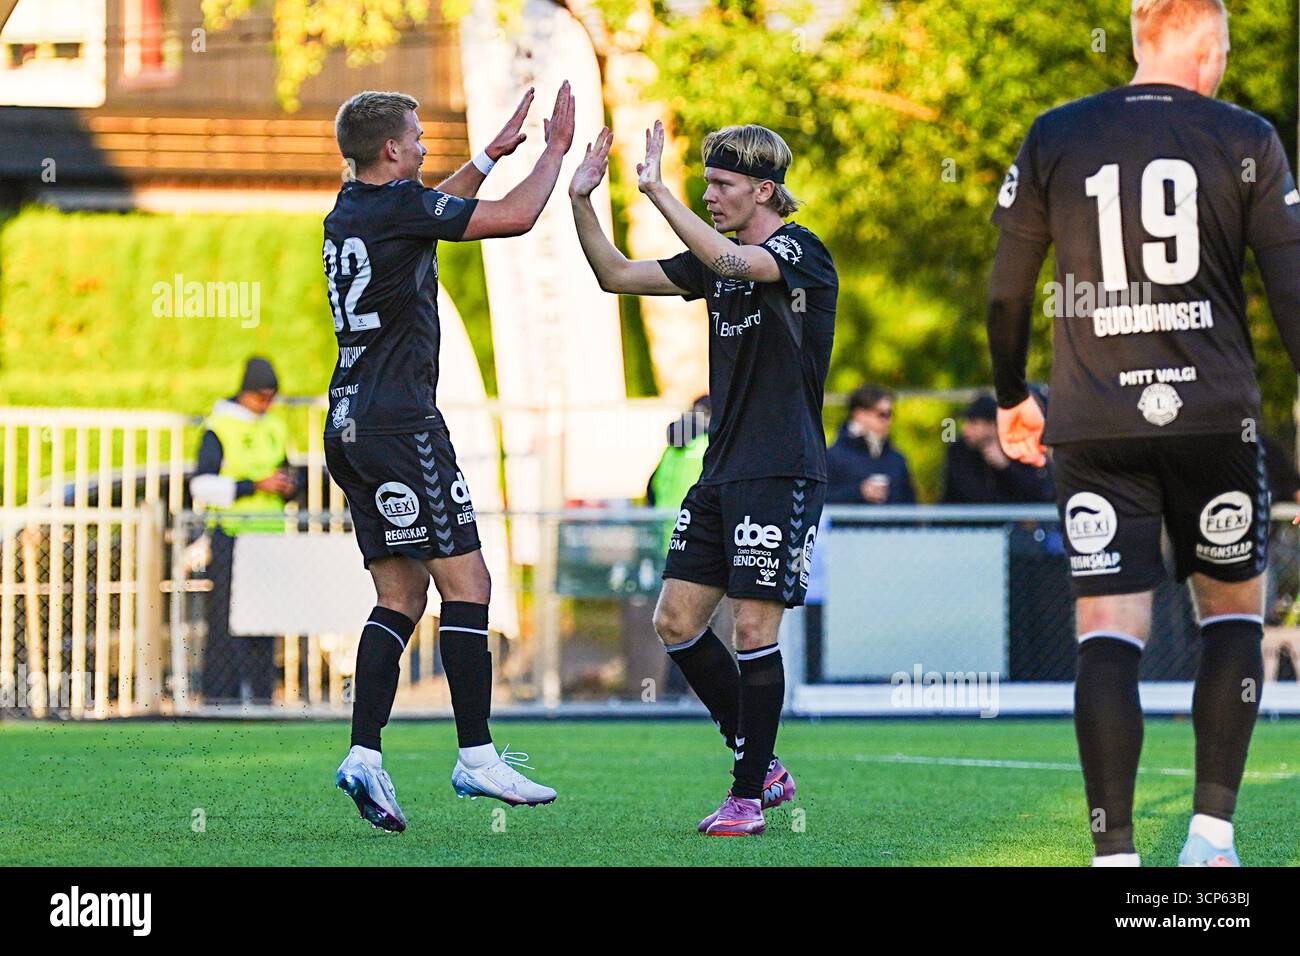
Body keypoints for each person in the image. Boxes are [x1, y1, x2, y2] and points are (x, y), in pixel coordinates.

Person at [988, 0, 1300, 866]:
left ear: (1136, 42)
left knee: (1108, 632)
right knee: (1234, 614)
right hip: (1212, 419)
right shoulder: (1247, 136)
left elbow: (1008, 291)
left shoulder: (1058, 134)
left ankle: (1114, 857)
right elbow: (1293, 294)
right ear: (1211, 48)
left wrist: (1014, 392)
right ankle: (1209, 838)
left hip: (1093, 422)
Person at [570, 122, 837, 835]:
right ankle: (763, 762)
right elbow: (616, 276)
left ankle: (747, 797)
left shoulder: (799, 252)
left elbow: (735, 260)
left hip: (782, 470)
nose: (710, 195)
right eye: (707, 184)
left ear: (764, 190)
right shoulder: (717, 261)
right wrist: (580, 201)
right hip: (721, 473)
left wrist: (656, 189)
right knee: (676, 621)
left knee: (753, 627)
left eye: (721, 185)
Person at [324, 84, 576, 832]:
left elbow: (428, 212)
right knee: (470, 585)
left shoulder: (350, 209)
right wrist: (553, 152)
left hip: (349, 421)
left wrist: (490, 155)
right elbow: (518, 218)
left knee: (400, 598)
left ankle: (365, 755)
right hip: (404, 424)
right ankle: (477, 755)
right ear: (394, 149)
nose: (427, 145)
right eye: (419, 136)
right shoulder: (401, 207)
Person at [190, 356, 296, 705]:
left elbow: (285, 469)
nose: (267, 404)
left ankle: (263, 696)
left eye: (272, 398)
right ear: (246, 393)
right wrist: (254, 486)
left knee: (264, 621)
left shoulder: (275, 426)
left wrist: (288, 485)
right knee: (225, 618)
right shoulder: (219, 427)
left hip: (270, 537)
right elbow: (203, 486)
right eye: (262, 397)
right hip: (232, 535)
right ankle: (221, 697)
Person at [942, 393, 1053, 504]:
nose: (966, 429)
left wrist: (1006, 466)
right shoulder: (959, 451)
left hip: (1010, 519)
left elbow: (1038, 492)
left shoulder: (1016, 447)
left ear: (992, 426)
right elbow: (972, 493)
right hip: (964, 519)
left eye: (974, 423)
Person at [826, 385, 916, 505]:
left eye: (890, 414)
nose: (888, 420)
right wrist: (859, 492)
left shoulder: (897, 459)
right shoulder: (833, 457)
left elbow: (911, 506)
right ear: (859, 414)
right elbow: (821, 501)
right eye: (882, 414)